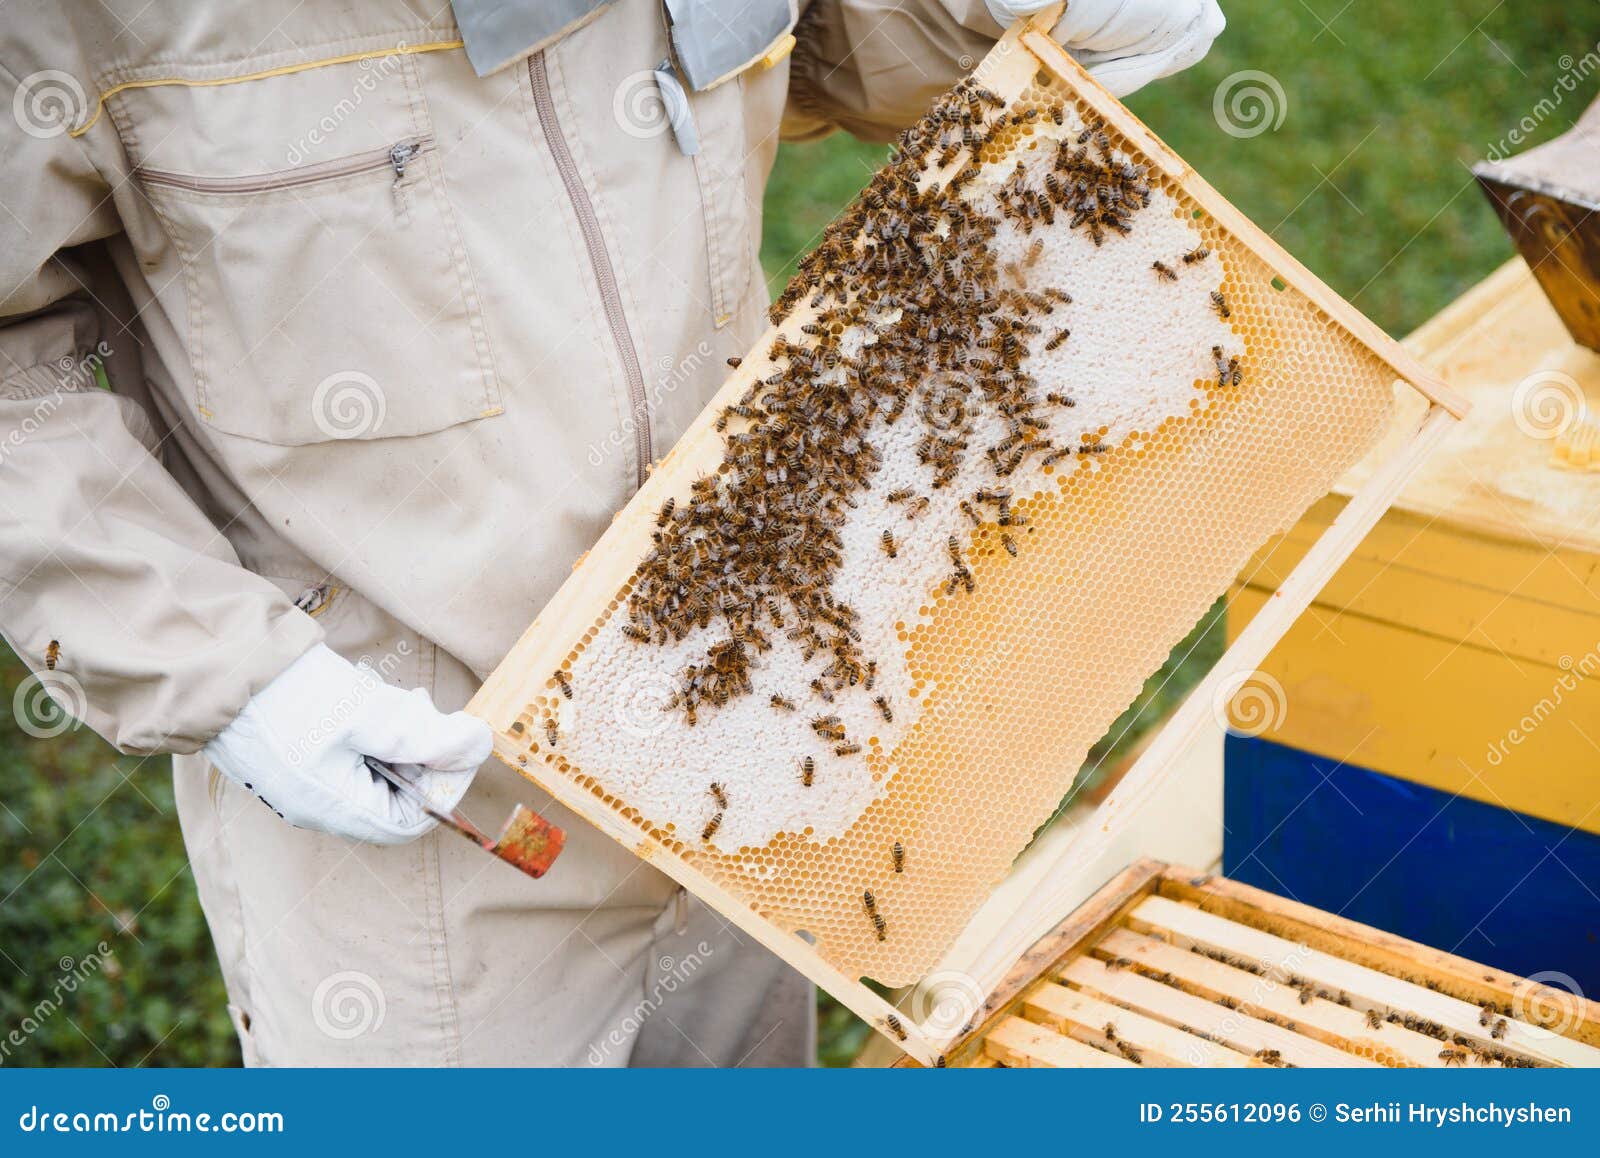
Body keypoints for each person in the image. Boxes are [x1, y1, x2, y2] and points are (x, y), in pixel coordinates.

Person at [0, 0, 1223, 1066]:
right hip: (427, 800)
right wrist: (219, 666)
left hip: (761, 722)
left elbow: (838, 44)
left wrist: (995, 9)